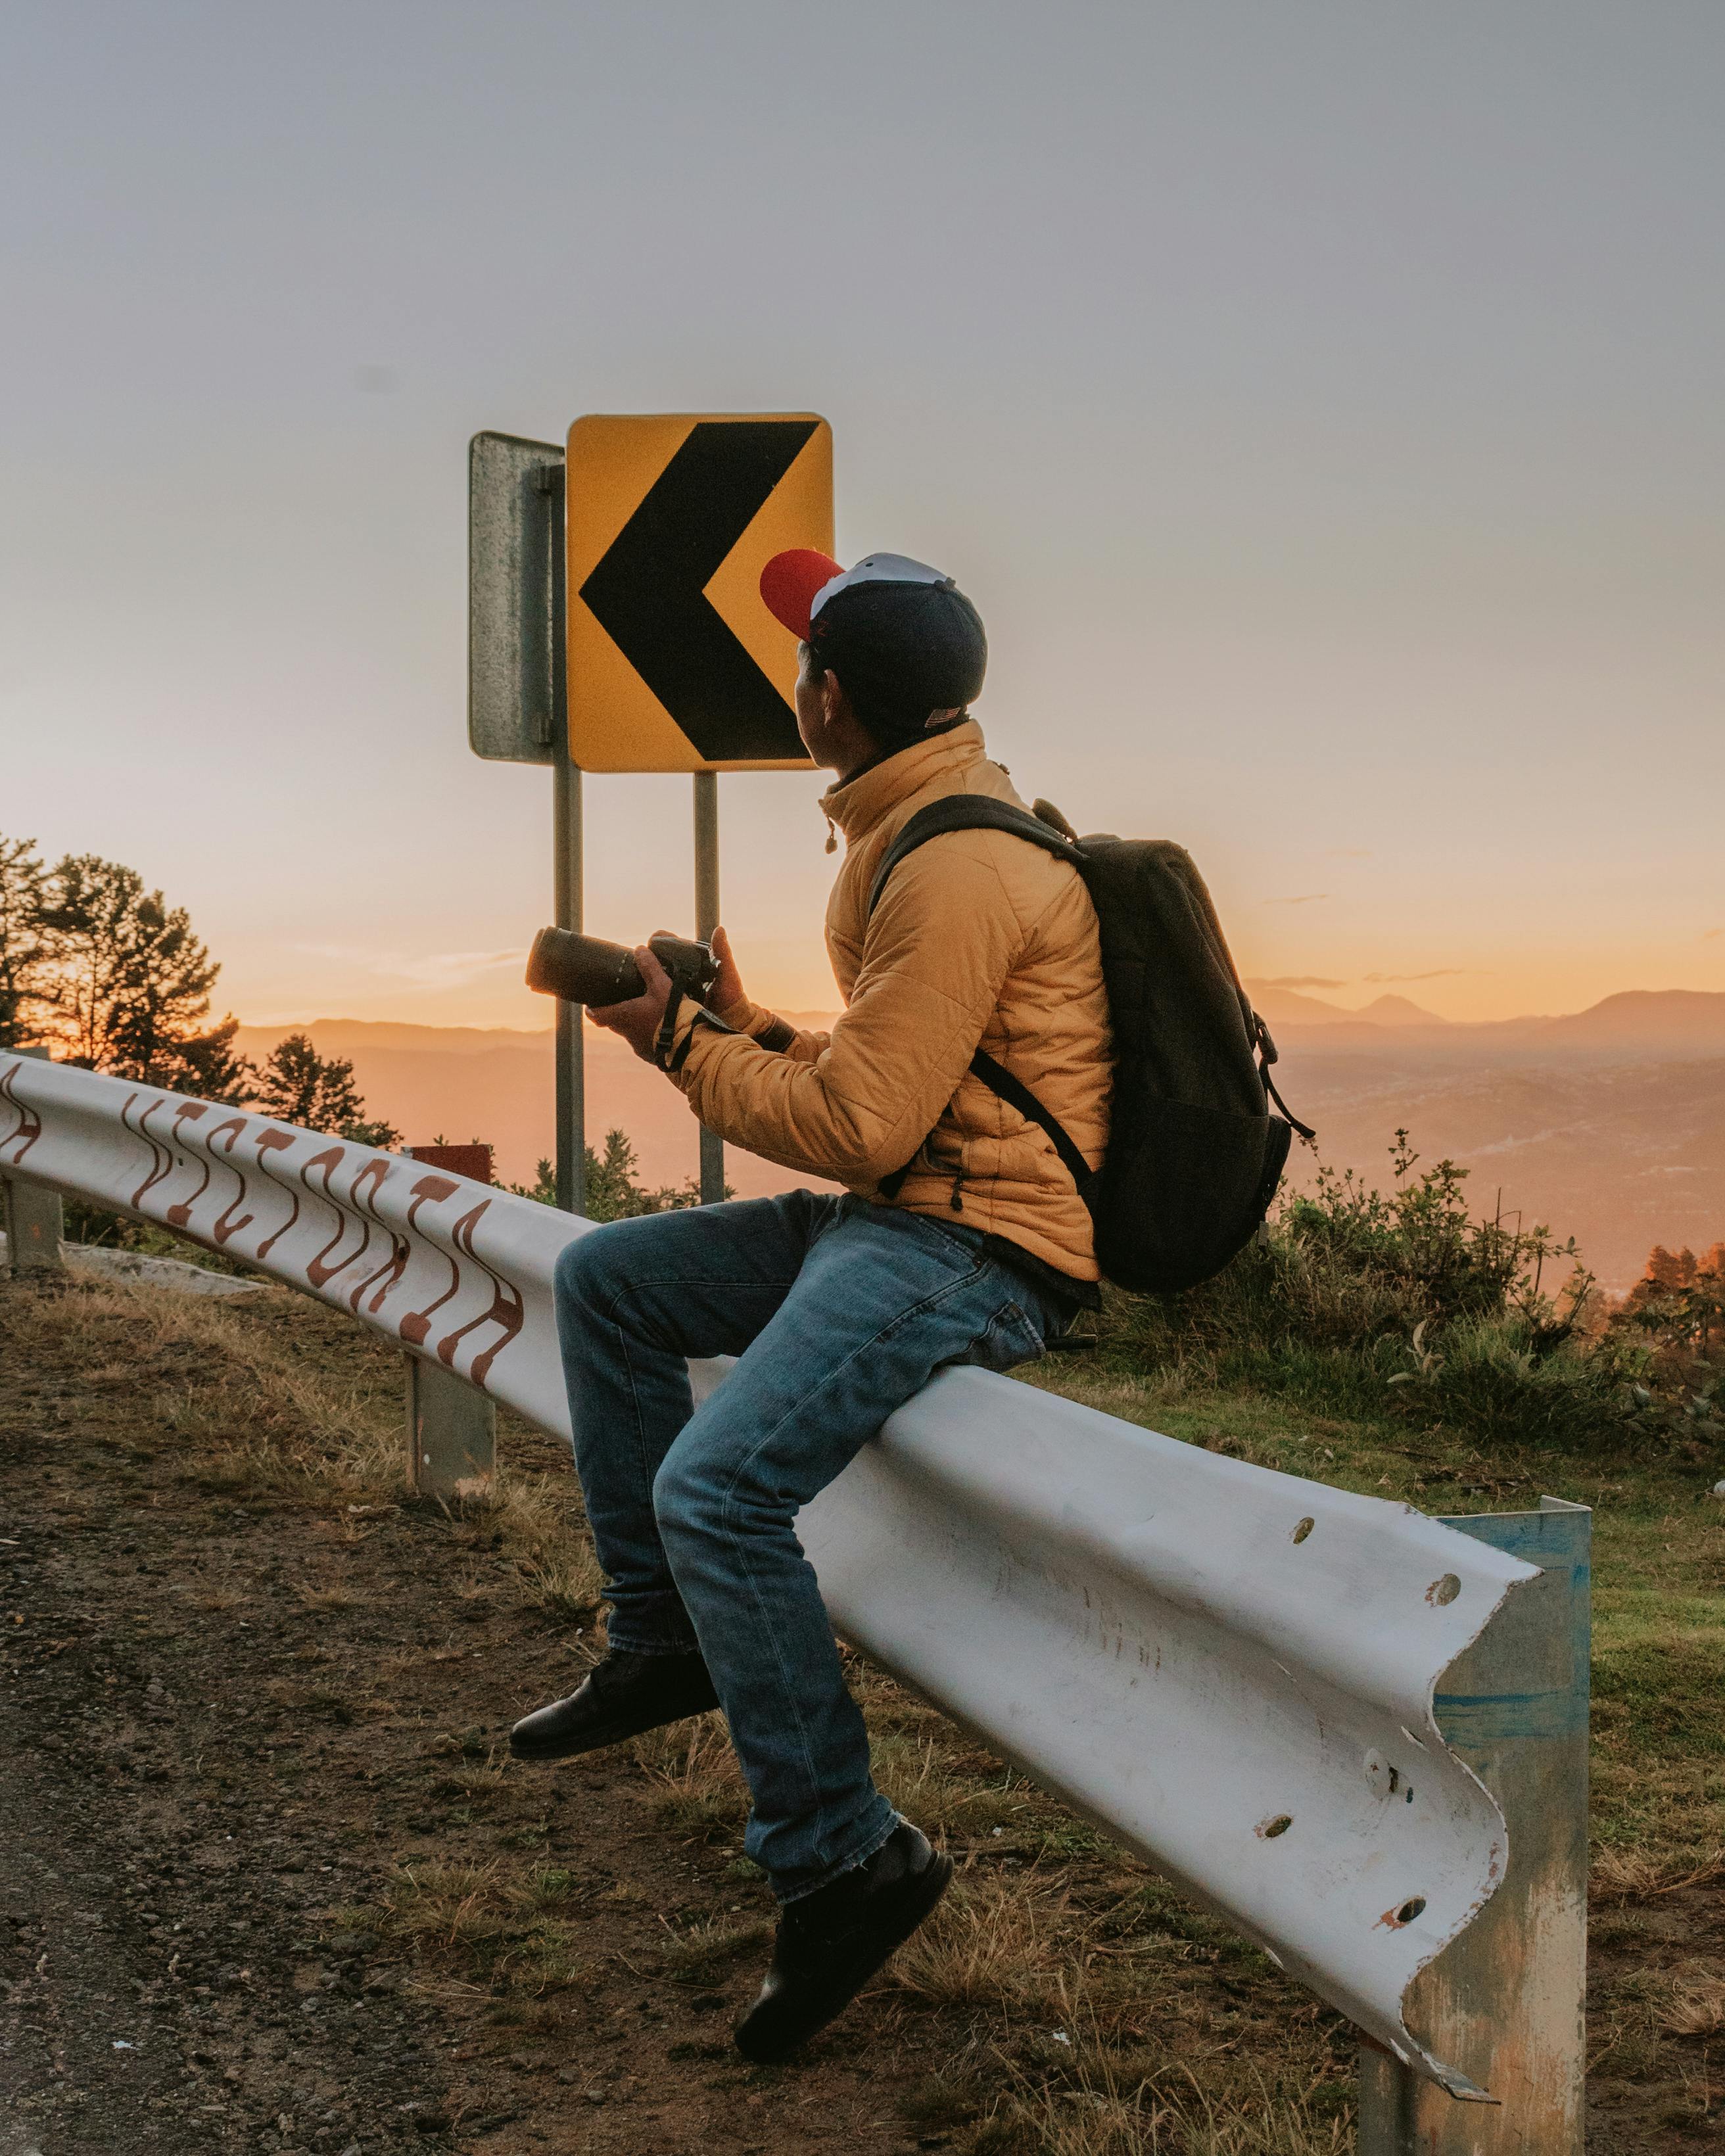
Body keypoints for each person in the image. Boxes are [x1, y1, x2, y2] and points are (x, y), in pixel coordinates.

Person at [509, 548, 1112, 2063]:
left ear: (828, 697)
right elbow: (891, 1079)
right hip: (910, 1205)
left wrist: (673, 1049)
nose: (791, 685)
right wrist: (738, 1019)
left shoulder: (956, 862)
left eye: (800, 665)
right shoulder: (915, 824)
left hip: (975, 1241)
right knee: (608, 1280)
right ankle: (665, 1643)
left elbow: (860, 1129)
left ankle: (846, 1855)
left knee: (717, 1487)